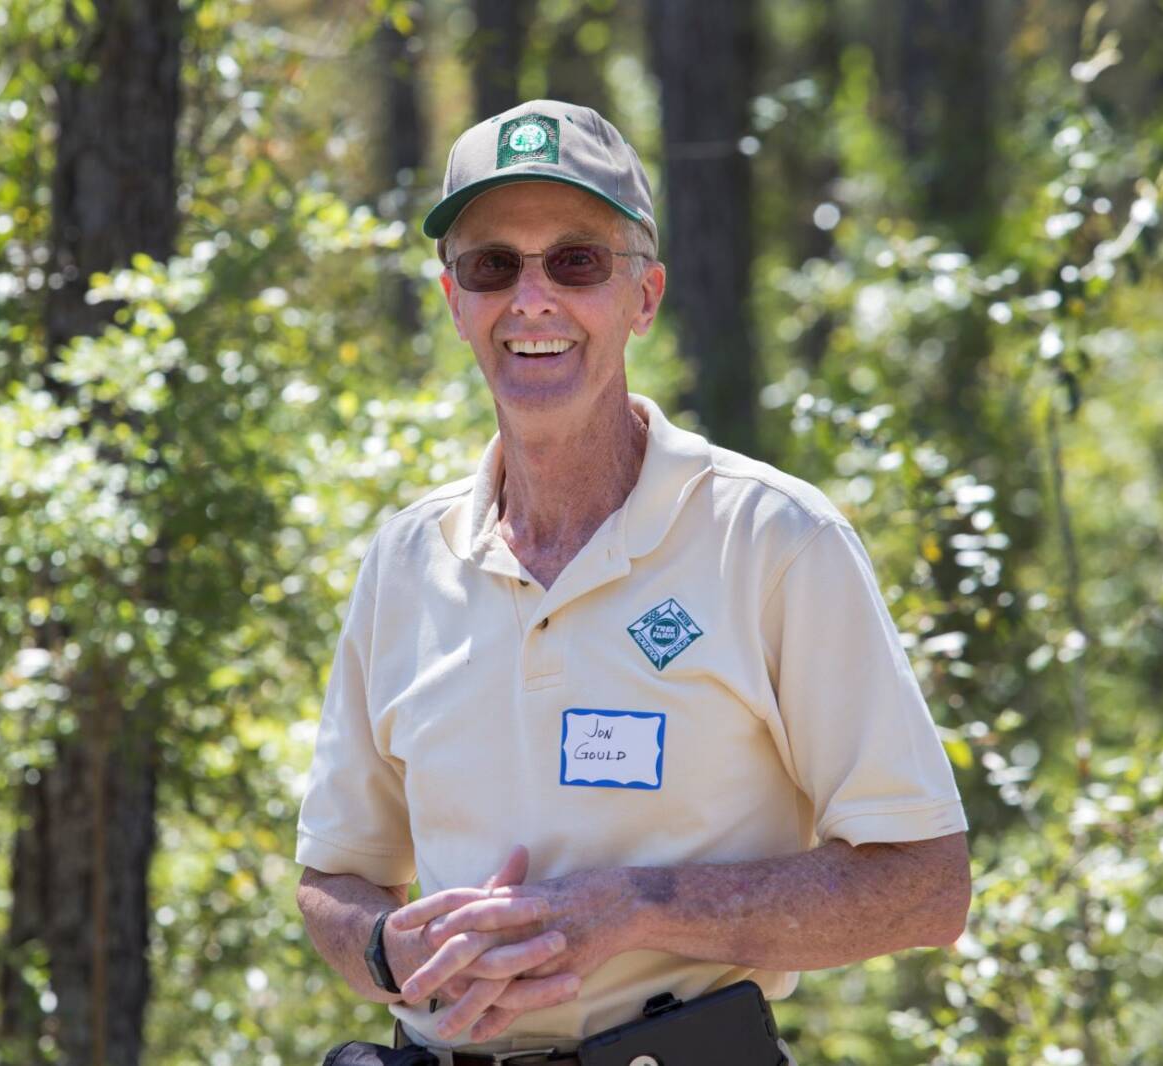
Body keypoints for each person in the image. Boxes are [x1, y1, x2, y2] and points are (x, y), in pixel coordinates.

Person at [294, 99, 971, 1065]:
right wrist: (385, 949)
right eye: (493, 265)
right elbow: (334, 872)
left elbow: (927, 886)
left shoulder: (776, 540)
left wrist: (633, 910)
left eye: (575, 262)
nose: (532, 299)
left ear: (644, 297)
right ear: (455, 301)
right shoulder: (405, 562)